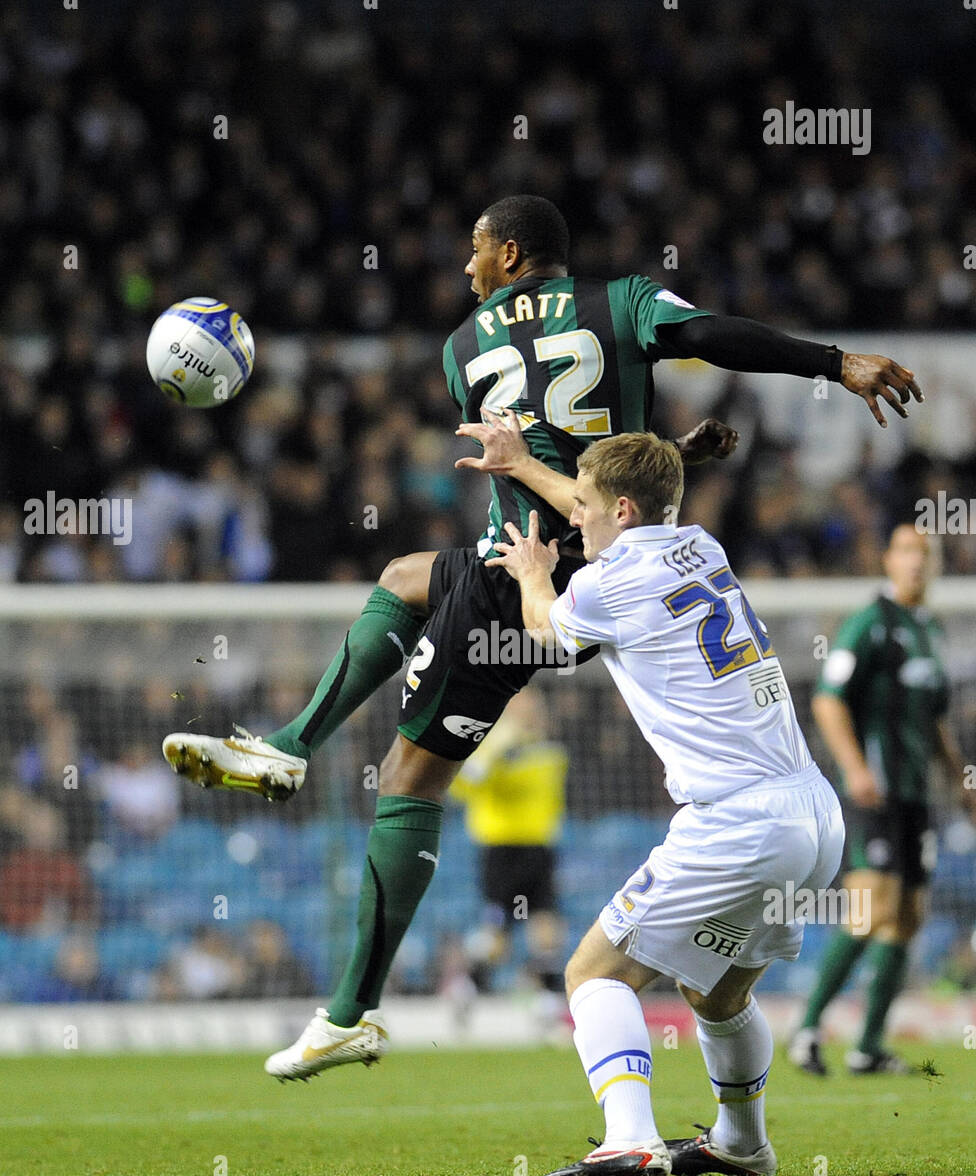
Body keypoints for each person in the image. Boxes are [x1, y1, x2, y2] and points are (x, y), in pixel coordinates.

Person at [161, 194, 921, 1079]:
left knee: (410, 776)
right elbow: (713, 335)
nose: (465, 265)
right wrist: (832, 363)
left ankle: (349, 1012)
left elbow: (549, 454)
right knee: (405, 577)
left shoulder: (463, 348)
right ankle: (291, 747)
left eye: (474, 250)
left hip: (530, 576)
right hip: (617, 556)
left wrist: (545, 514)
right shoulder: (623, 303)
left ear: (510, 254)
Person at [482, 425, 846, 1176]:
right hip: (811, 814)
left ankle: (629, 1138)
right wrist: (523, 468)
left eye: (582, 506)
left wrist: (531, 572)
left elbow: (545, 635)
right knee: (713, 993)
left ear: (618, 507)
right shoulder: (701, 546)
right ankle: (741, 1144)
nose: (570, 518)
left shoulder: (603, 586)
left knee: (593, 975)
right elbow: (613, 507)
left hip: (737, 820)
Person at [789, 525, 976, 1075]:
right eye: (905, 552)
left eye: (926, 554)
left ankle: (868, 1046)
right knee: (869, 909)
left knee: (908, 916)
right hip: (874, 788)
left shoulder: (931, 630)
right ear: (888, 559)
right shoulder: (870, 623)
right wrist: (853, 768)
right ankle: (806, 1031)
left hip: (917, 795)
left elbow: (936, 720)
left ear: (936, 564)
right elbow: (829, 700)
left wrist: (962, 781)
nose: (916, 562)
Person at [449, 687, 568, 995]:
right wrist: (497, 751)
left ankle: (549, 1002)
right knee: (497, 935)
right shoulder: (490, 746)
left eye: (533, 703)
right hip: (499, 848)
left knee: (546, 926)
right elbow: (461, 788)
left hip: (538, 846)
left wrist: (510, 751)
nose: (529, 709)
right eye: (521, 703)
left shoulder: (548, 749)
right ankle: (469, 985)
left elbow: (545, 784)